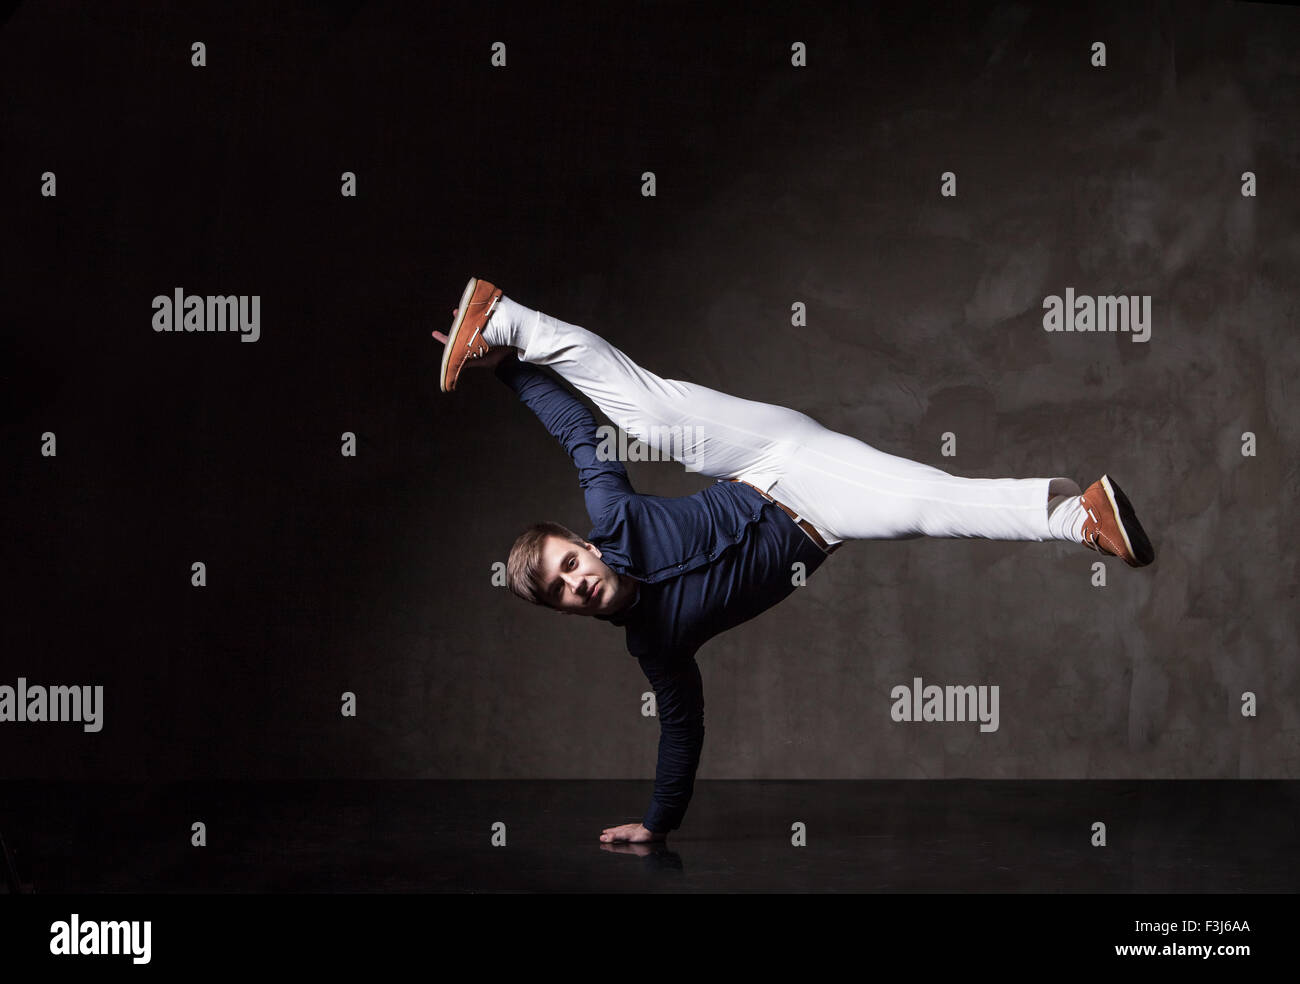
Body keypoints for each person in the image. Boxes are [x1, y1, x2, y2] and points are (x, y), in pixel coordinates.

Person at [433, 277, 1154, 844]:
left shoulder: (614, 515)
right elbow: (682, 730)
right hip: (822, 512)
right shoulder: (657, 645)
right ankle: (1077, 516)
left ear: (584, 546)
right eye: (561, 589)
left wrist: (508, 370)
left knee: (650, 419)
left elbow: (577, 433)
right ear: (564, 610)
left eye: (568, 562)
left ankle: (507, 319)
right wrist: (657, 824)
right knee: (927, 506)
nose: (577, 581)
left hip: (765, 455)